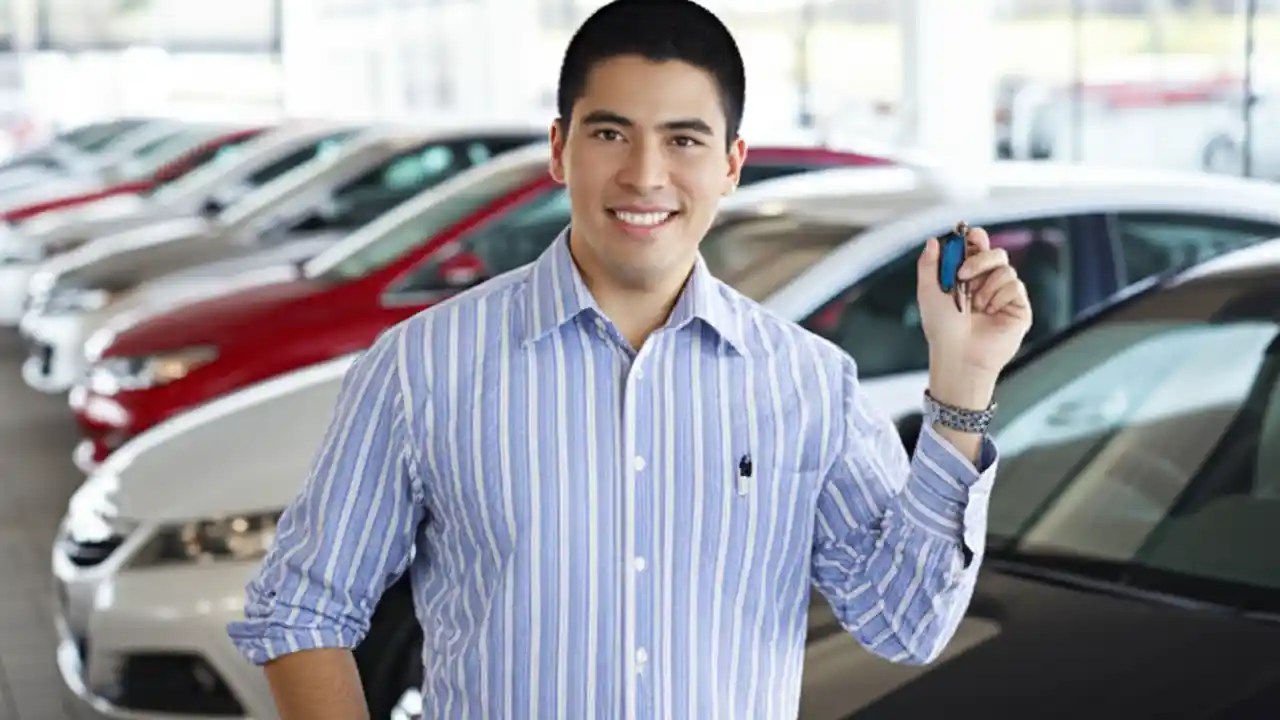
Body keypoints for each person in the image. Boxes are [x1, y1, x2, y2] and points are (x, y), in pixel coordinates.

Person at [226, 0, 1032, 717]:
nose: (645, 175)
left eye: (683, 140)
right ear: (559, 149)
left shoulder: (808, 382)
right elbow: (302, 609)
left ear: (731, 164)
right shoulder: (423, 365)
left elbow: (903, 623)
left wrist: (962, 388)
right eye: (610, 133)